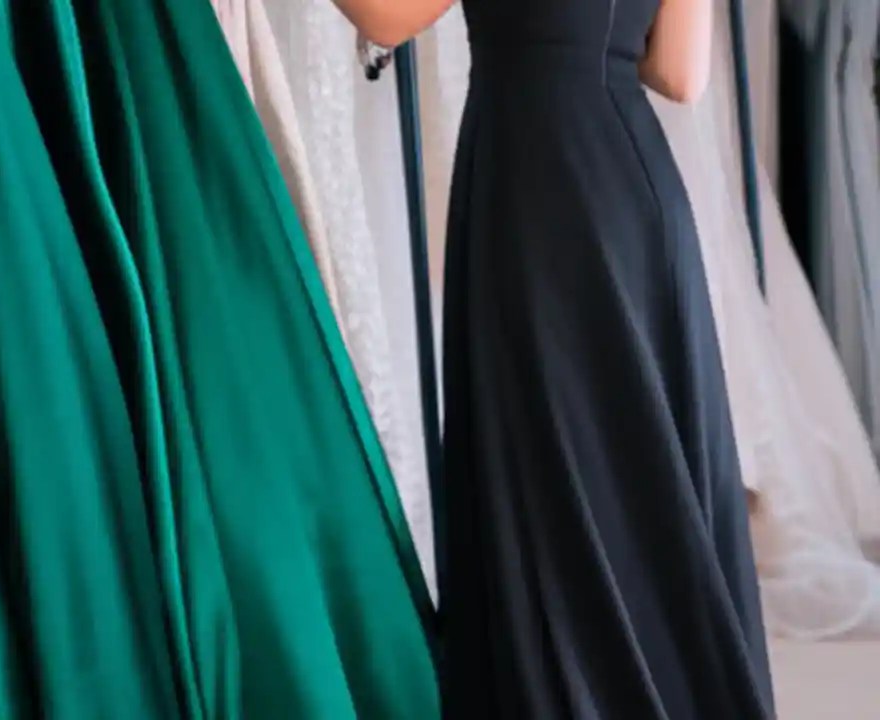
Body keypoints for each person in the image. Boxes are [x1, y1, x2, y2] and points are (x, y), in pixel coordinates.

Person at [331, 1, 776, 717]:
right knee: (634, 479)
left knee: (551, 469)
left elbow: (389, 16)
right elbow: (678, 73)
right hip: (629, 185)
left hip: (540, 190)